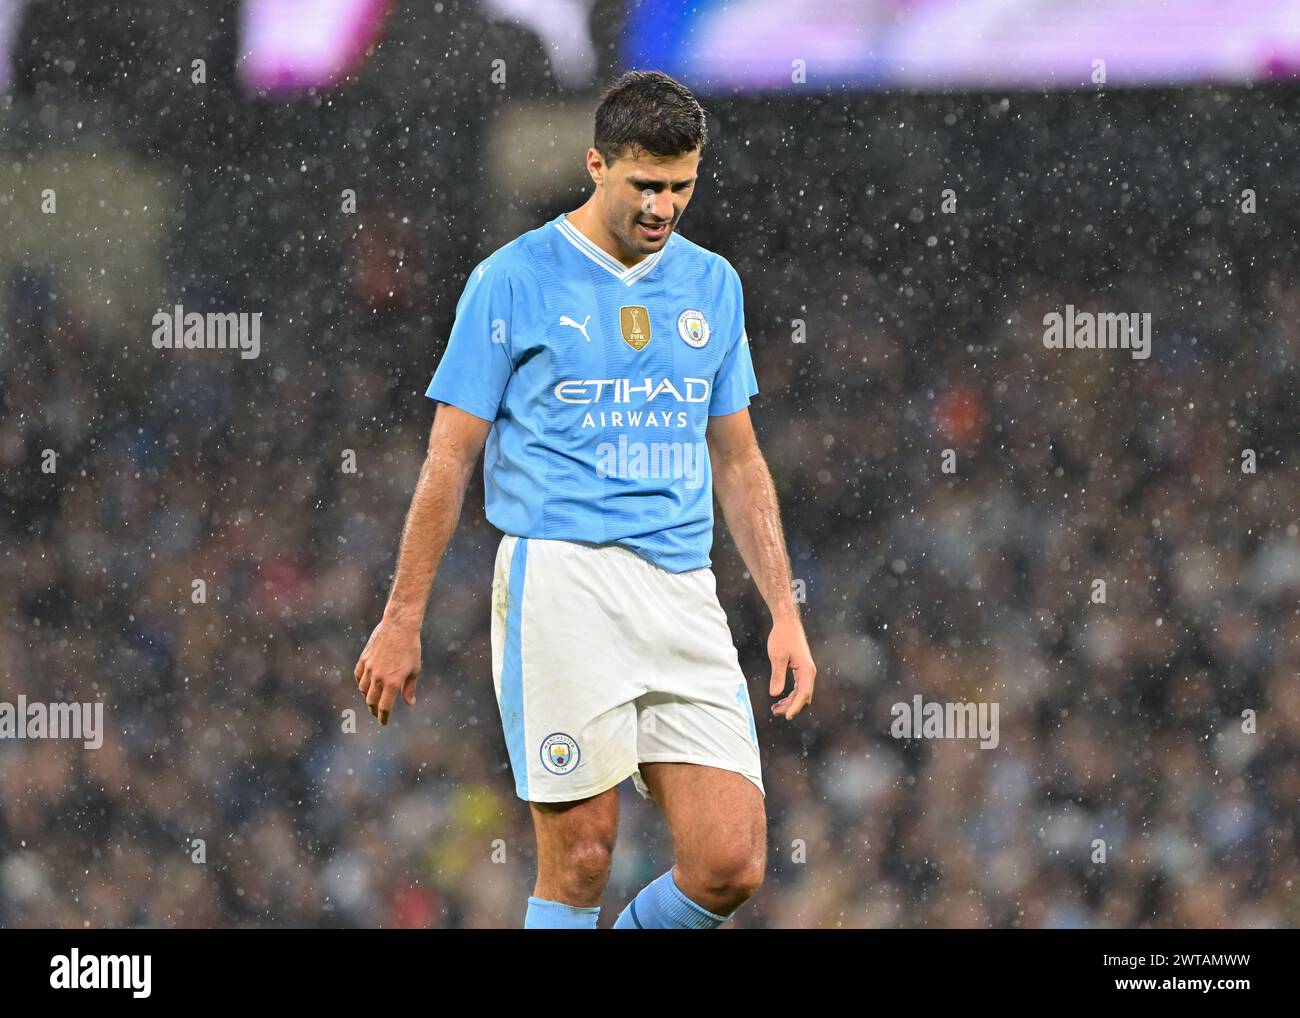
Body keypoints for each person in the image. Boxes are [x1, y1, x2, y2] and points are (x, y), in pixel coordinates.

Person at [353, 70, 816, 929]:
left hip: (684, 589)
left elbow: (740, 460)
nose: (663, 207)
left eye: (681, 187)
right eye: (646, 184)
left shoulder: (712, 285)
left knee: (731, 864)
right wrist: (401, 615)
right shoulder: (513, 279)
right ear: (597, 164)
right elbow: (450, 457)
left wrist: (783, 611)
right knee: (583, 855)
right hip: (561, 580)